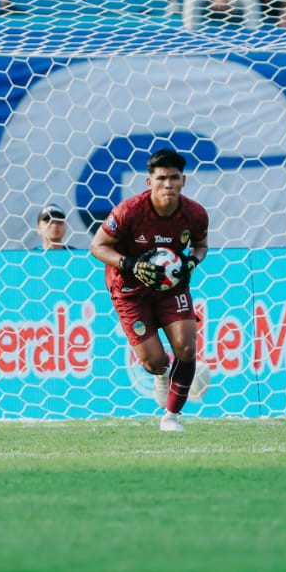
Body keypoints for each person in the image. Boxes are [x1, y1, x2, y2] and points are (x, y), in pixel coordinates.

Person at [90, 148, 209, 433]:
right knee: (153, 361)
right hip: (129, 289)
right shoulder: (128, 211)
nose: (168, 184)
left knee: (187, 347)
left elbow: (201, 246)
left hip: (171, 286)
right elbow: (97, 246)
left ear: (183, 181)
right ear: (149, 182)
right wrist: (129, 263)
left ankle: (171, 417)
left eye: (174, 178)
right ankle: (161, 372)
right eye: (161, 178)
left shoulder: (194, 214)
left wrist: (192, 260)